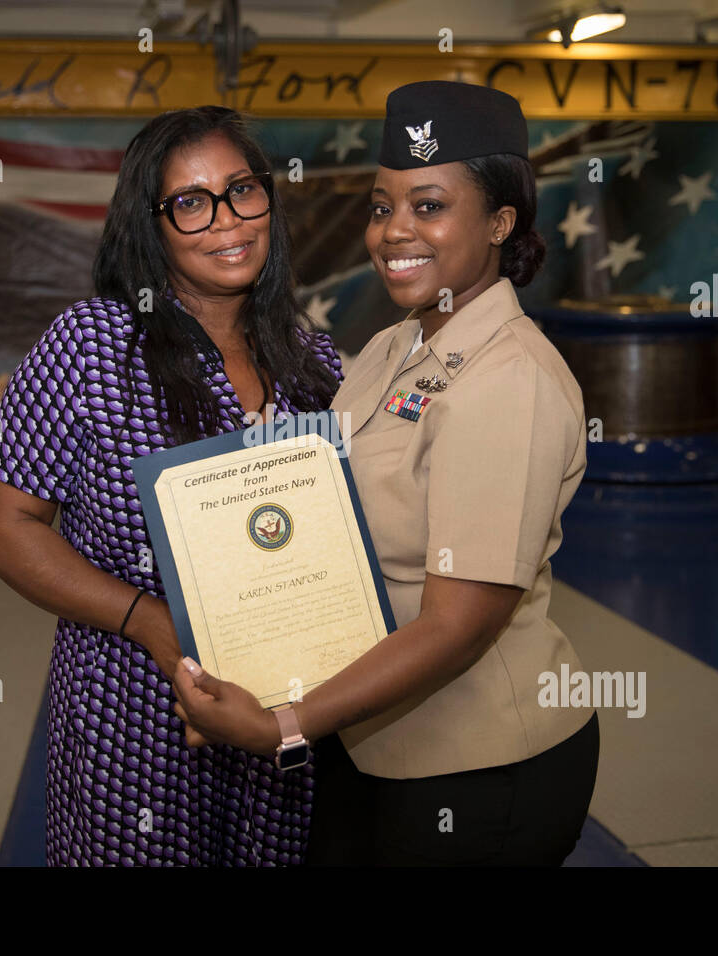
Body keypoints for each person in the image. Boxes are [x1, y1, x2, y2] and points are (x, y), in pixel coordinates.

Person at [171, 80, 600, 866]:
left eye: (429, 206)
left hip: (474, 771)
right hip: (366, 742)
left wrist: (282, 724)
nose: (393, 231)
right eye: (381, 207)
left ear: (500, 222)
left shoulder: (509, 380)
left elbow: (458, 625)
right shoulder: (393, 347)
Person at [0, 105, 342, 865]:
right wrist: (148, 620)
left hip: (284, 711)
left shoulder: (314, 363)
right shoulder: (93, 346)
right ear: (151, 225)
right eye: (191, 202)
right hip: (132, 711)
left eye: (242, 190)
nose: (227, 220)